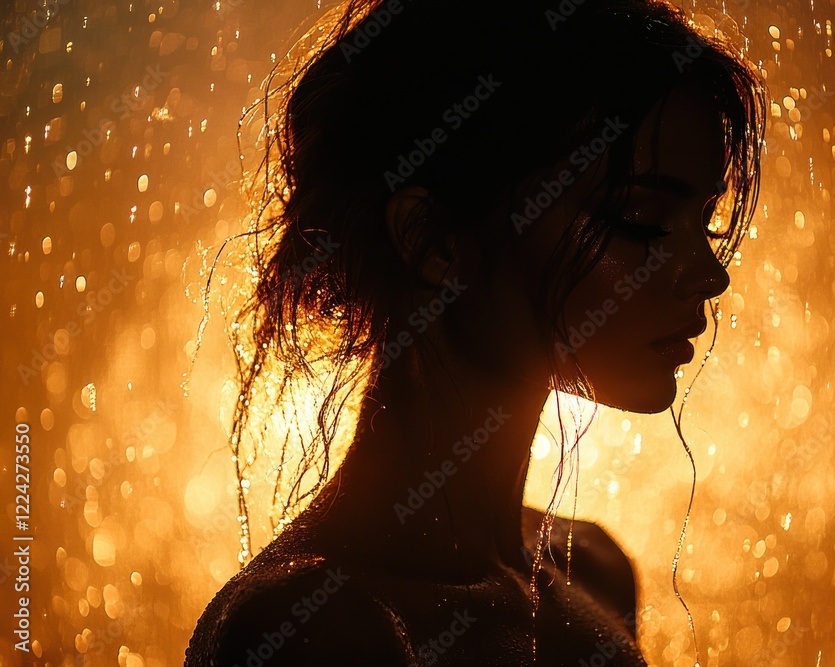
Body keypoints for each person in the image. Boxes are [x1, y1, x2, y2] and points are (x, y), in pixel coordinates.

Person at [184, 0, 766, 664]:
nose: (710, 274)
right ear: (433, 241)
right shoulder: (315, 629)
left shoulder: (594, 570)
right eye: (640, 218)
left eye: (707, 224)